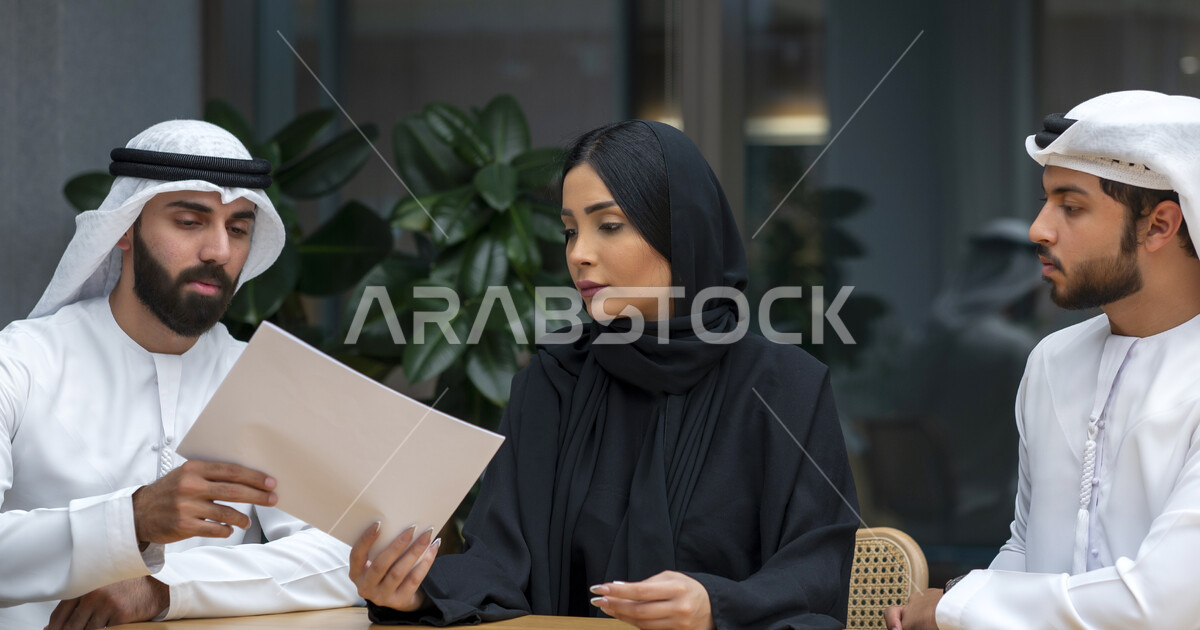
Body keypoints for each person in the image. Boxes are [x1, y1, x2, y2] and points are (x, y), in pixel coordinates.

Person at [350, 120, 860, 629]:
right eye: (570, 230)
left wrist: (717, 606)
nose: (578, 254)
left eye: (608, 225)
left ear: (681, 231)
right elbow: (500, 565)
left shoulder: (787, 388)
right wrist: (415, 593)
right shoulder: (552, 383)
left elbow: (817, 571)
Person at [0, 120, 360, 628]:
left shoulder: (258, 379)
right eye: (190, 221)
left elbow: (342, 557)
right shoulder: (19, 364)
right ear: (124, 228)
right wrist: (131, 519)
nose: (219, 251)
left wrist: (164, 590)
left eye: (238, 229)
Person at [885, 90, 1200, 629]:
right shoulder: (1053, 359)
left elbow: (1165, 603)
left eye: (1071, 207)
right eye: (1045, 202)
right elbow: (1027, 547)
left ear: (1160, 225)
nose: (1040, 230)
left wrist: (958, 606)